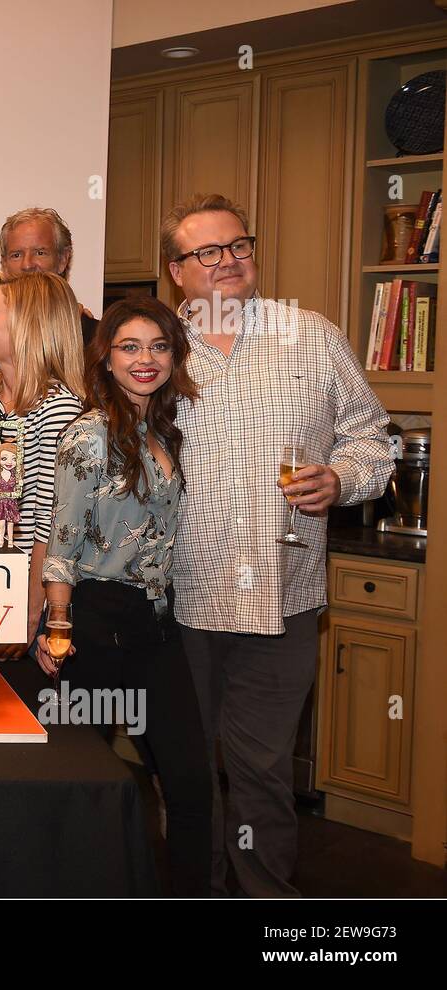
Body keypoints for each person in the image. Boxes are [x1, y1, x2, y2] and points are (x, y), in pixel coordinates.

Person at [161, 193, 393, 896]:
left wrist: (342, 478)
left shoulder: (312, 335)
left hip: (280, 599)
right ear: (177, 270)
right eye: (208, 251)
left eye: (239, 245)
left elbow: (371, 439)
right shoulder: (153, 347)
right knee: (188, 773)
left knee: (262, 775)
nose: (228, 260)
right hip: (178, 601)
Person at [35, 295, 211, 896]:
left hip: (156, 626)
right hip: (95, 627)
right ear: (105, 358)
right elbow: (61, 536)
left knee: (189, 784)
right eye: (129, 347)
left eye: (158, 346)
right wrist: (56, 625)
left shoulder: (160, 428)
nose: (145, 359)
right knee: (80, 786)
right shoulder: (90, 433)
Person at [0, 270, 85, 641]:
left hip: (28, 596)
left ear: (28, 328)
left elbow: (50, 523)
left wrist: (30, 615)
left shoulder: (59, 409)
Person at [0, 207, 97, 347]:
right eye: (16, 255)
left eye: (40, 253)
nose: (27, 265)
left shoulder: (96, 340)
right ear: (4, 264)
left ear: (63, 259)